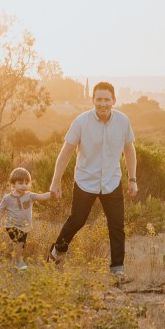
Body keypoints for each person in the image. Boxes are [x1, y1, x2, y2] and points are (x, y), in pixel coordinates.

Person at [47, 81, 138, 279]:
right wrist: (56, 181)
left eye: (107, 99)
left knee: (116, 226)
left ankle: (117, 269)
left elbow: (129, 150)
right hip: (85, 181)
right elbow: (66, 153)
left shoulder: (123, 121)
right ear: (93, 100)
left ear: (114, 100)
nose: (103, 103)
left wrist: (132, 179)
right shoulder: (81, 122)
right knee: (77, 221)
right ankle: (56, 253)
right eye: (99, 99)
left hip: (111, 182)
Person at [0, 167, 52, 270]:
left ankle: (13, 265)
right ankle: (19, 261)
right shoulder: (7, 198)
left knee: (21, 245)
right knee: (19, 243)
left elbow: (42, 196)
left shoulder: (29, 196)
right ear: (13, 183)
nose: (24, 186)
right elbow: (0, 210)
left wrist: (52, 193)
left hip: (25, 226)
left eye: (26, 183)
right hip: (11, 225)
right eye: (21, 183)